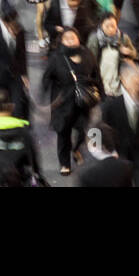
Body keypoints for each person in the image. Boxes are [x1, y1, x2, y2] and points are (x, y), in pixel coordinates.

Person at [43, 26, 103, 175]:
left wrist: (101, 92)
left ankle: (76, 149)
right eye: (67, 38)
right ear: (62, 41)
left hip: (83, 102)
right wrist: (44, 99)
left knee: (83, 130)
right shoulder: (56, 57)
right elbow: (47, 78)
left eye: (73, 37)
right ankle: (64, 163)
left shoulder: (87, 54)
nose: (70, 40)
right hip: (62, 103)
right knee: (63, 134)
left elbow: (96, 74)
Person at [100, 62, 139, 186]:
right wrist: (109, 152)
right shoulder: (111, 105)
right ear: (124, 80)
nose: (137, 83)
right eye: (133, 79)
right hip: (120, 153)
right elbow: (104, 130)